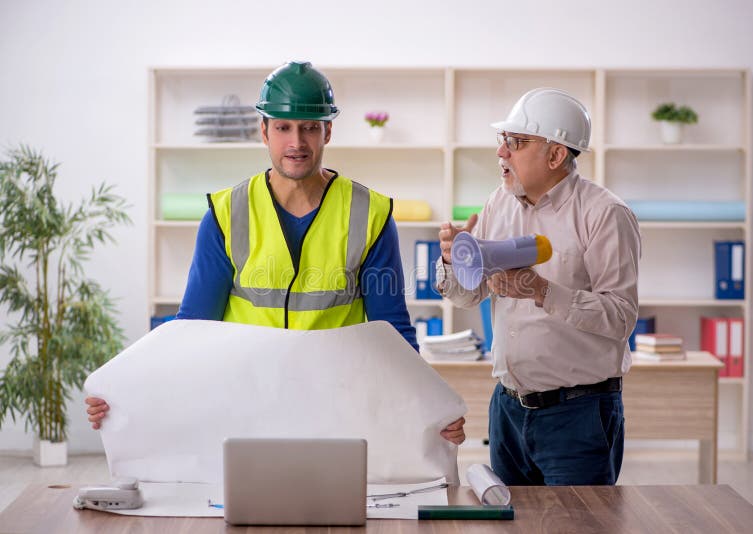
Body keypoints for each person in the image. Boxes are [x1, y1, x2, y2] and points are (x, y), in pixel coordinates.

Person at [87, 61, 465, 445]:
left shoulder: (369, 215)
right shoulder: (226, 214)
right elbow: (191, 330)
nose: (296, 143)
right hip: (244, 408)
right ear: (263, 130)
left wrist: (430, 406)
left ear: (328, 131)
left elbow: (392, 333)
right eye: (283, 127)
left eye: (309, 128)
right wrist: (127, 393)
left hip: (336, 409)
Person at [436, 88, 640, 485]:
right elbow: (468, 295)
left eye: (516, 142)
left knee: (577, 527)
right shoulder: (500, 203)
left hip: (578, 415)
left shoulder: (605, 214)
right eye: (503, 141)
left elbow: (620, 317)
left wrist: (542, 291)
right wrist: (453, 261)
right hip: (507, 410)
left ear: (556, 154)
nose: (502, 153)